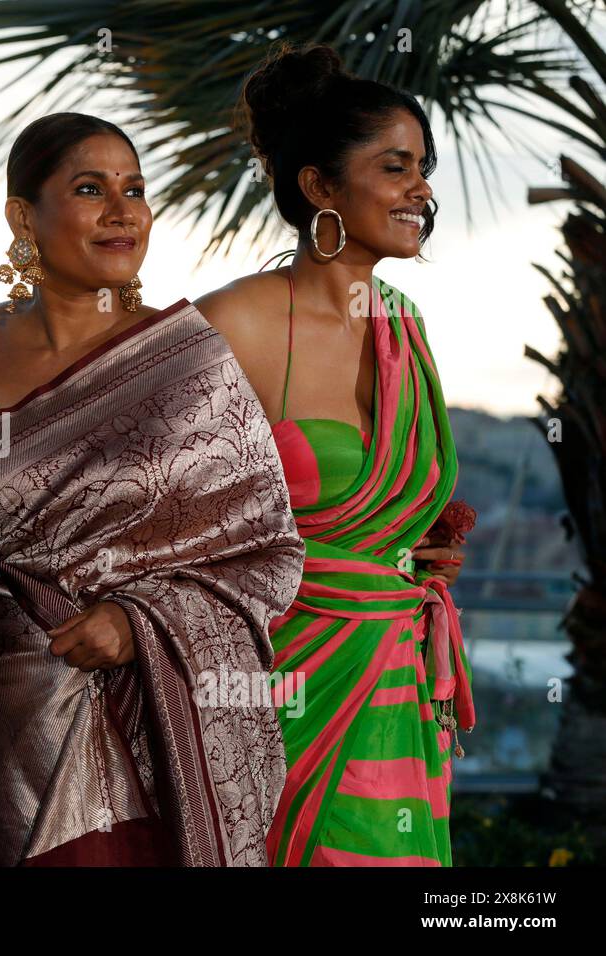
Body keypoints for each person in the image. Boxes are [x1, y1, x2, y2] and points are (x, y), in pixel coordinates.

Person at [0, 112, 305, 866]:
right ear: (23, 216)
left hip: (136, 741)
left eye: (135, 189)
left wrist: (136, 618)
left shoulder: (191, 370)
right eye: (90, 189)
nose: (123, 212)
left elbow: (268, 552)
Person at [195, 43, 474, 866]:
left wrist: (413, 544)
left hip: (402, 695)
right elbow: (139, 510)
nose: (421, 191)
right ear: (319, 187)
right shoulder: (231, 324)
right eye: (396, 167)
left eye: (423, 167)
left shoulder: (405, 325)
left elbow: (389, 502)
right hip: (280, 692)